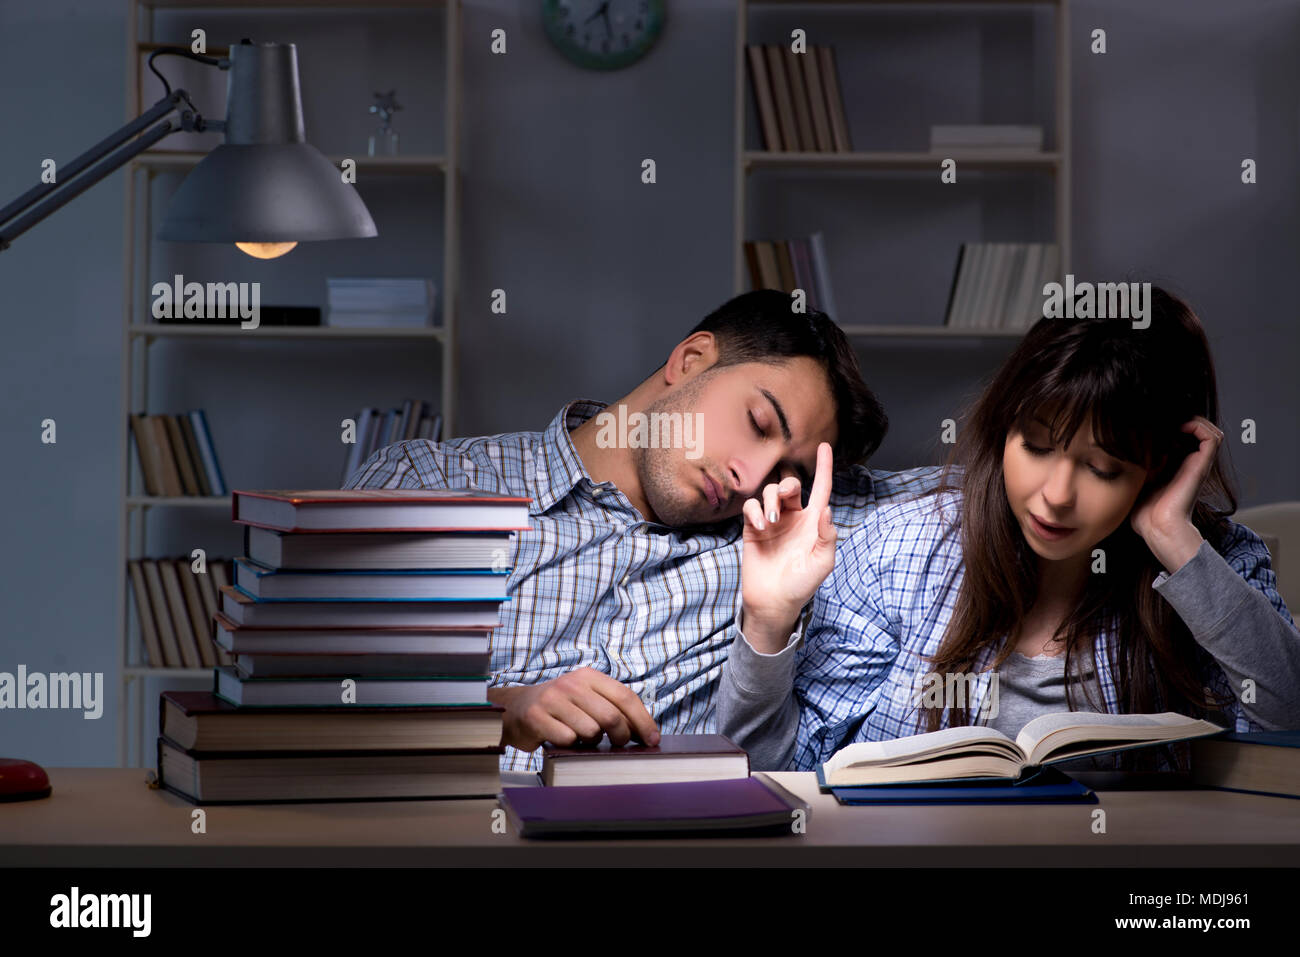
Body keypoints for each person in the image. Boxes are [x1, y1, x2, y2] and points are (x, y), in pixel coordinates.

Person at [344, 290, 944, 771]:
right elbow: (323, 698)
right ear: (690, 360)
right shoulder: (430, 481)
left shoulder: (779, 535)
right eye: (758, 423)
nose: (752, 478)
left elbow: (995, 489)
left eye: (790, 471)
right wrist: (500, 710)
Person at [718, 286, 1300, 771]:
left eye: (1103, 468)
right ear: (1004, 426)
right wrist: (768, 624)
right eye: (1037, 446)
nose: (1056, 495)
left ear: (1158, 470)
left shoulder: (1214, 563)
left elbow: (1288, 723)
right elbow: (778, 770)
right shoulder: (900, 547)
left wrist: (1175, 540)